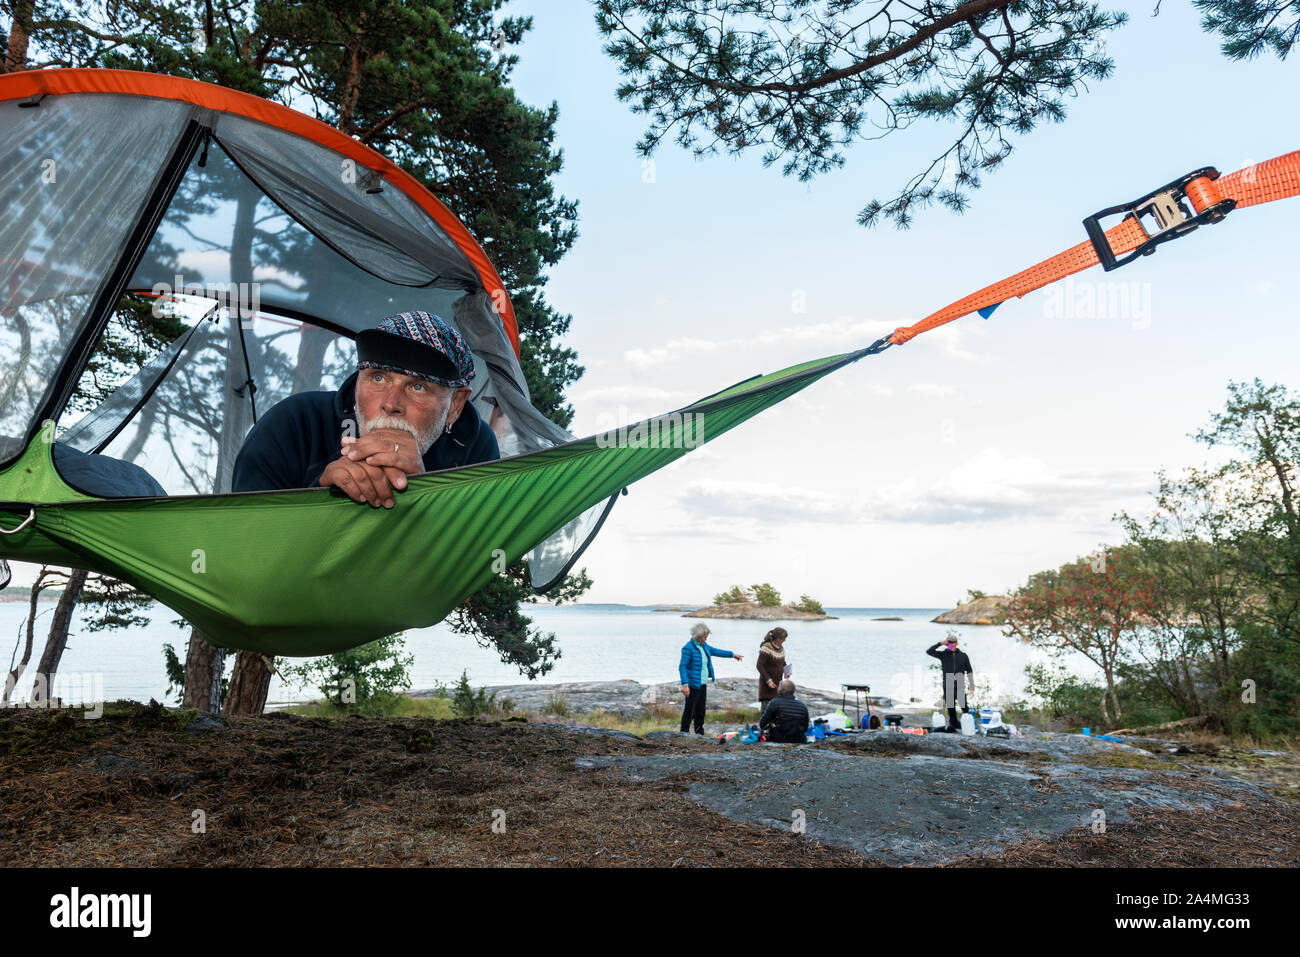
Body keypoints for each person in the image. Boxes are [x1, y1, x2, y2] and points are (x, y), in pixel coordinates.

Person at [232, 311, 498, 498]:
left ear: (455, 404)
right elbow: (245, 543)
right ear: (359, 380)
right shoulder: (294, 423)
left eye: (418, 386)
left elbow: (470, 566)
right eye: (379, 378)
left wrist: (421, 493)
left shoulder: (477, 452)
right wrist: (320, 495)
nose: (390, 404)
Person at [678, 623, 742, 735]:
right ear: (698, 635)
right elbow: (682, 666)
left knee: (701, 711)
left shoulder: (704, 646)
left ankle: (699, 733)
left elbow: (717, 651)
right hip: (692, 684)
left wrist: (733, 655)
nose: (706, 638)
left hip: (702, 684)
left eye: (706, 636)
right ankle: (684, 733)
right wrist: (685, 684)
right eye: (704, 636)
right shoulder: (688, 648)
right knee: (690, 711)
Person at [926, 632, 975, 732]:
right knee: (950, 708)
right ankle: (954, 725)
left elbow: (969, 671)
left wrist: (972, 687)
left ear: (956, 643)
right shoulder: (943, 655)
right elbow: (929, 651)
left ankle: (969, 724)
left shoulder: (963, 655)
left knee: (964, 706)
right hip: (948, 683)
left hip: (960, 682)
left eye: (952, 642)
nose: (950, 644)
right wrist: (940, 643)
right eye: (948, 642)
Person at [759, 679, 810, 744]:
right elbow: (805, 728)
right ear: (793, 691)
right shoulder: (802, 706)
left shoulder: (774, 703)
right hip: (799, 740)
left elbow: (762, 724)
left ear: (779, 690)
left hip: (778, 740)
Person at [756, 627, 788, 713]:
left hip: (778, 683)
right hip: (767, 684)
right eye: (784, 638)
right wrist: (768, 680)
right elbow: (759, 665)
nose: (785, 640)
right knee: (766, 709)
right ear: (778, 638)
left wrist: (787, 671)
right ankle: (764, 726)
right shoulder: (766, 648)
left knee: (776, 709)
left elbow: (783, 662)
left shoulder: (781, 648)